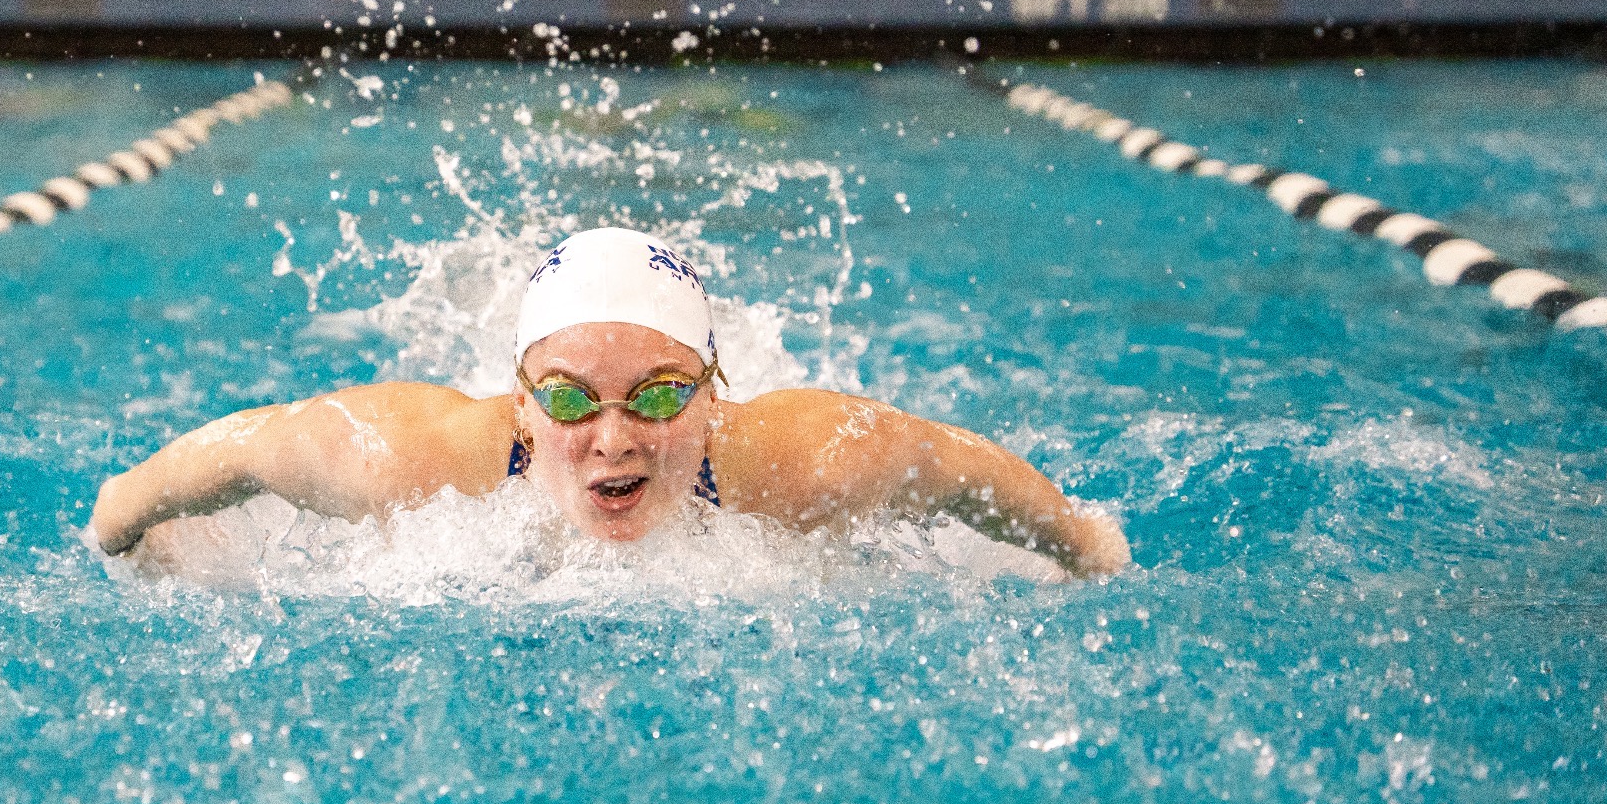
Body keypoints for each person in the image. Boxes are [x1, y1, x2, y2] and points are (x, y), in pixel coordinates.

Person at [90, 227, 1132, 578]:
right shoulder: (405, 456)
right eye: (570, 401)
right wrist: (124, 513)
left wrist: (1081, 542)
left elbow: (943, 463)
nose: (613, 438)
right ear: (520, 406)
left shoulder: (805, 461)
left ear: (715, 399)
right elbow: (246, 448)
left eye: (660, 394)